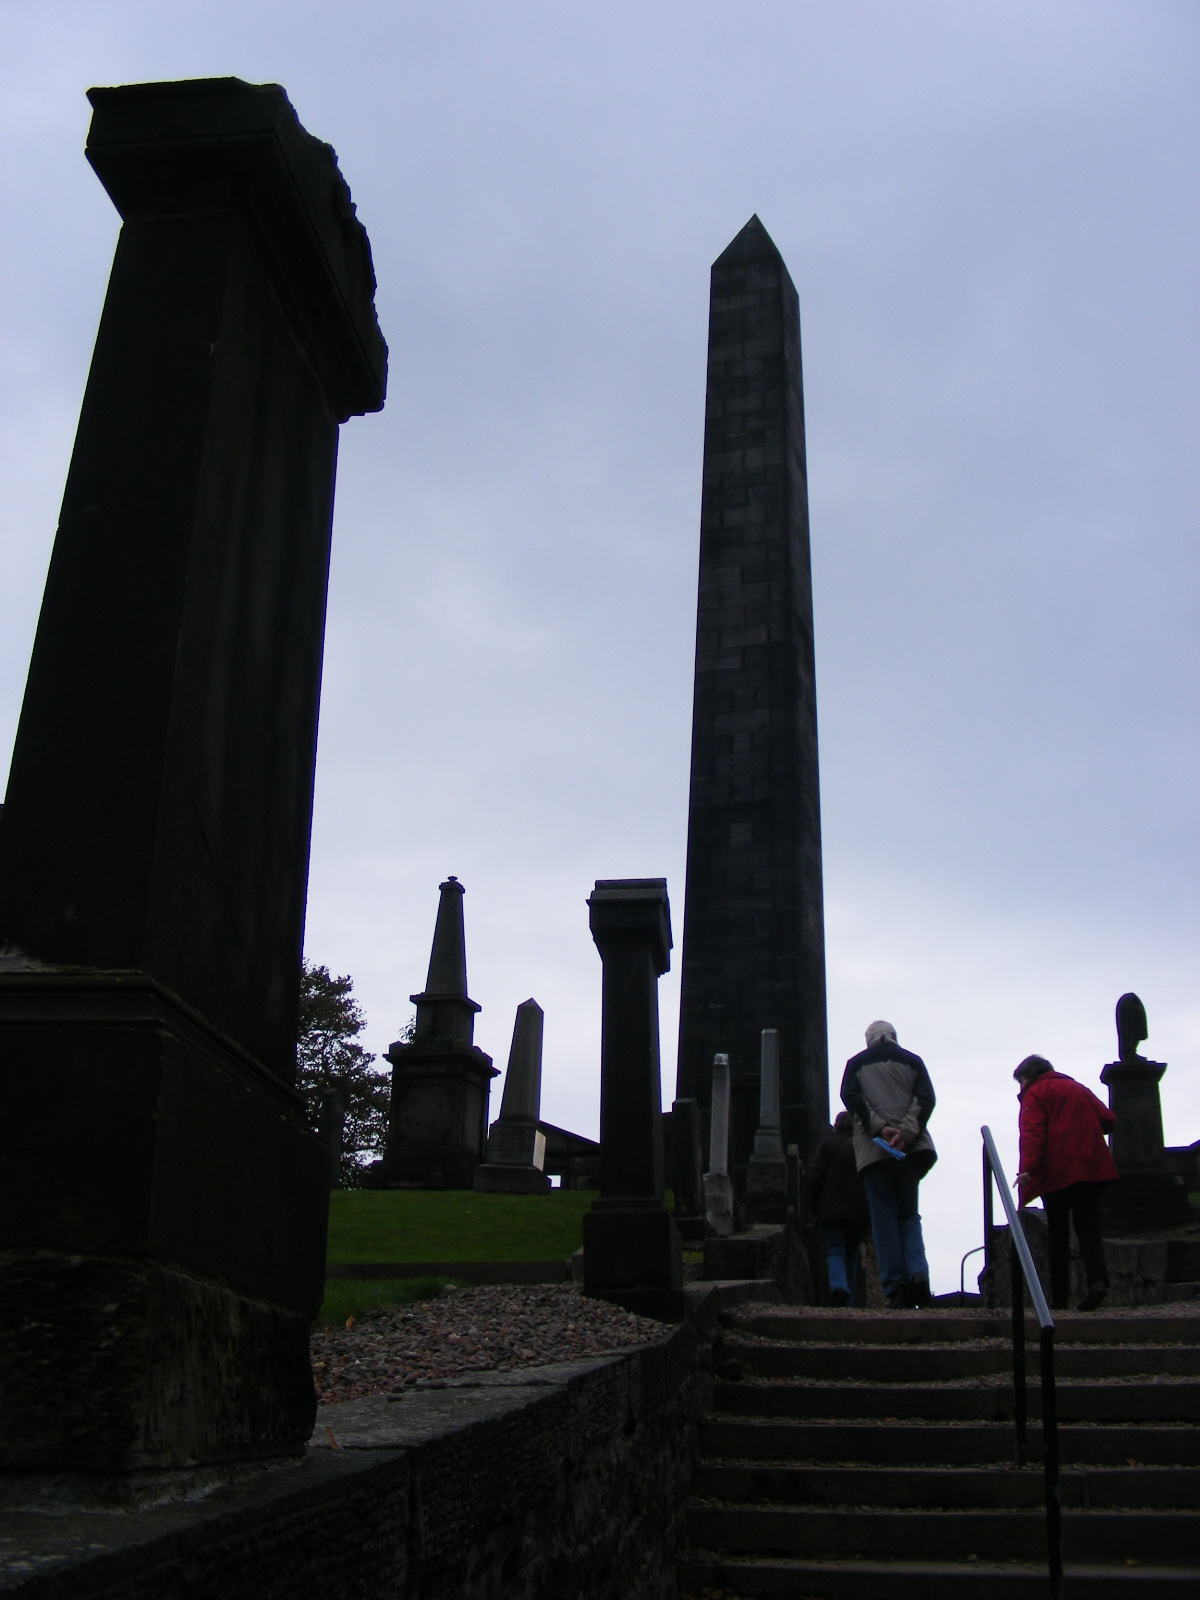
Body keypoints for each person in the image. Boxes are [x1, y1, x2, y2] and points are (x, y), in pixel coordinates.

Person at [841, 1020, 937, 1309]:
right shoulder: (913, 1062)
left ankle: (896, 1288)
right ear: (894, 1037)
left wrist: (881, 1129)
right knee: (908, 1216)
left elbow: (852, 1099)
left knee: (884, 1220)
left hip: (875, 1152)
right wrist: (905, 1134)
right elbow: (926, 1099)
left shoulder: (855, 1065)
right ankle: (918, 1273)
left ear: (868, 1039)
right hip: (909, 1151)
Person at [1013, 1054, 1118, 1312]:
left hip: (1058, 1170)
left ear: (1031, 1077)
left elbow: (1033, 1134)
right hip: (1091, 1166)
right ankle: (1097, 1282)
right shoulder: (1076, 1087)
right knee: (1088, 1226)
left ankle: (1059, 1299)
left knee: (1057, 1234)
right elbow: (1108, 1119)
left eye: (1021, 1081)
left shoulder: (1036, 1094)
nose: (1021, 1088)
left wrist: (1028, 1170)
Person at [809, 1110, 872, 1307]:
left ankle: (839, 1287)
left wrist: (813, 1205)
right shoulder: (863, 1146)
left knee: (835, 1250)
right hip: (857, 1211)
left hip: (831, 1209)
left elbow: (815, 1177)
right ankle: (849, 1299)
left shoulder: (828, 1145)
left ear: (836, 1125)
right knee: (852, 1254)